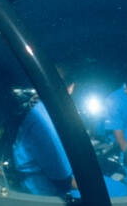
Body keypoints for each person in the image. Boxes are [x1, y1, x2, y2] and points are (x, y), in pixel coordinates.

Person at [10, 67, 78, 196]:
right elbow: (63, 181)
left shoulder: (43, 110)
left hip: (49, 176)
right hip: (43, 188)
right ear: (71, 88)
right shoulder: (44, 123)